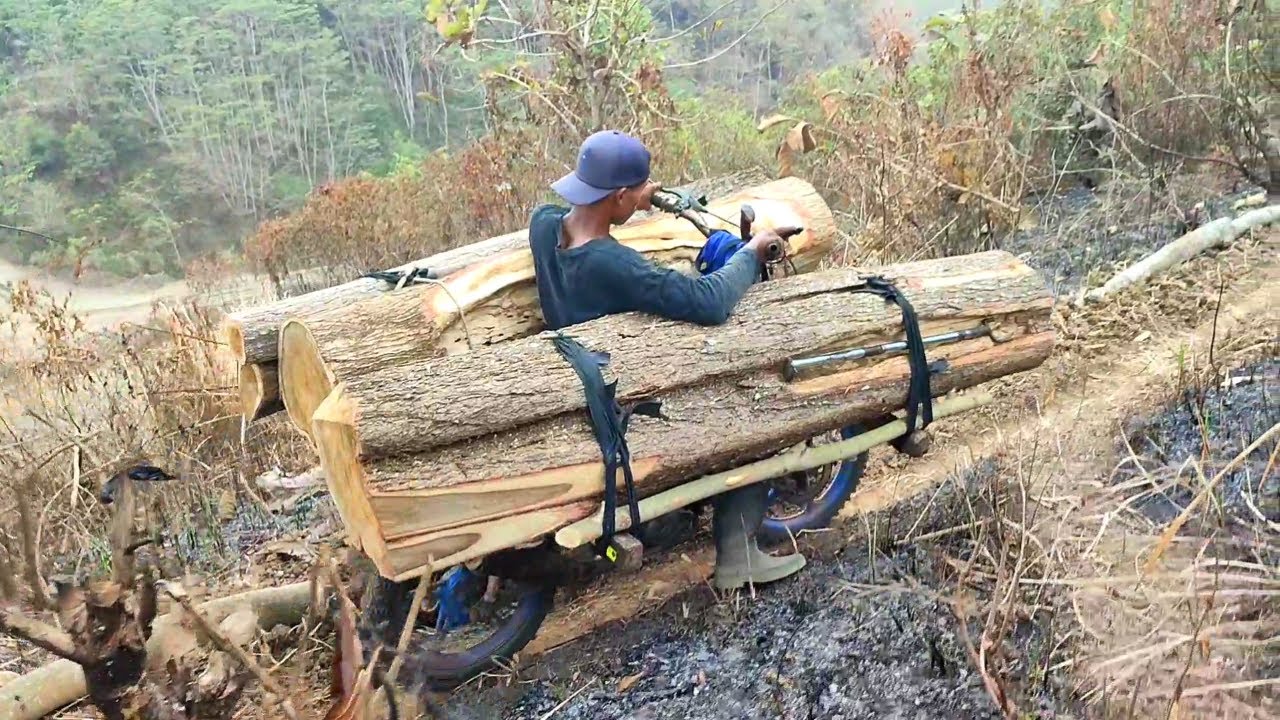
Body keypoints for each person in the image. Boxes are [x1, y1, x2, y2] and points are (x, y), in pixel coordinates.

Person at [528, 130, 806, 590]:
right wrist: (752, 253)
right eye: (632, 192)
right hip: (630, 402)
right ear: (617, 196)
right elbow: (708, 301)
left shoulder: (544, 227)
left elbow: (577, 213)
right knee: (753, 412)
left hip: (588, 381)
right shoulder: (610, 264)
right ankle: (739, 558)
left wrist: (639, 196)